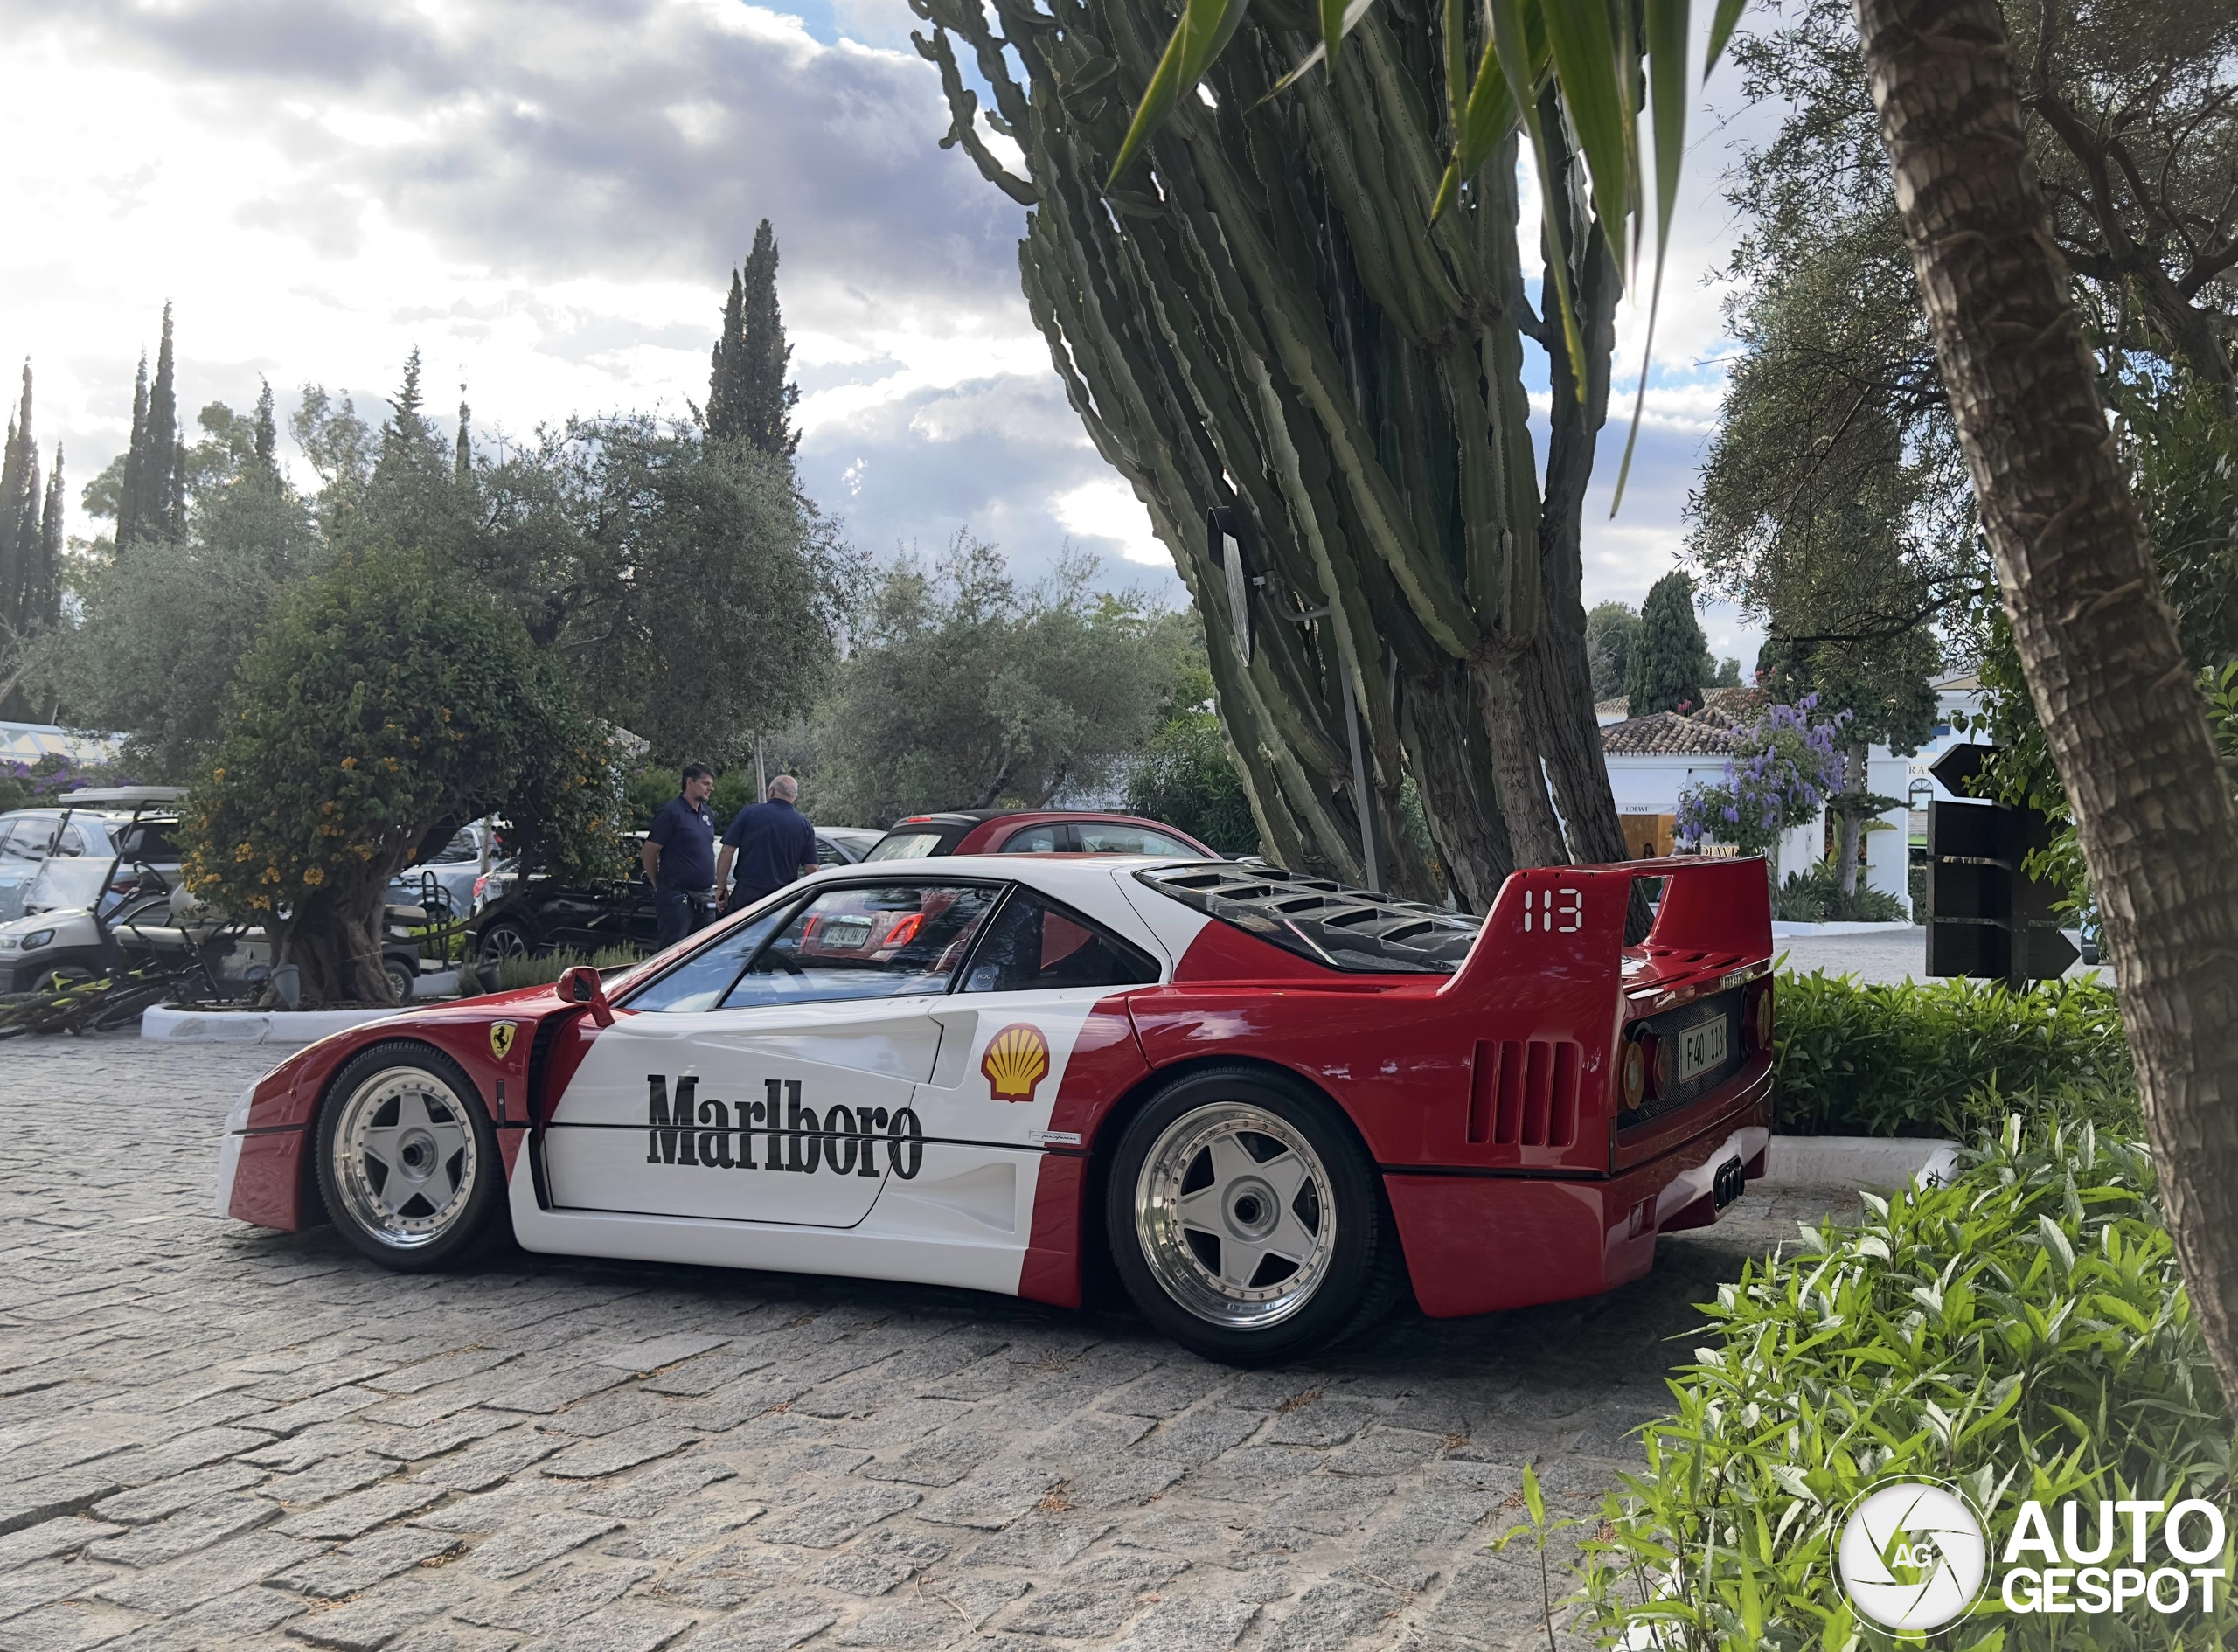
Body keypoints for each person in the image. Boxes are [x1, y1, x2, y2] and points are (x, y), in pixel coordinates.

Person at [718, 774, 819, 913]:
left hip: (746, 895)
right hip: (782, 899)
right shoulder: (804, 825)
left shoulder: (749, 813)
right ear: (794, 796)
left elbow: (727, 850)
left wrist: (721, 887)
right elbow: (812, 869)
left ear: (771, 791)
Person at [644, 763, 719, 948]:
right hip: (677, 896)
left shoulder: (707, 814)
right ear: (689, 782)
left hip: (704, 897)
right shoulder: (671, 813)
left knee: (704, 951)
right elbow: (649, 851)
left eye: (711, 784)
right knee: (673, 952)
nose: (711, 788)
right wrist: (657, 885)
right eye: (706, 783)